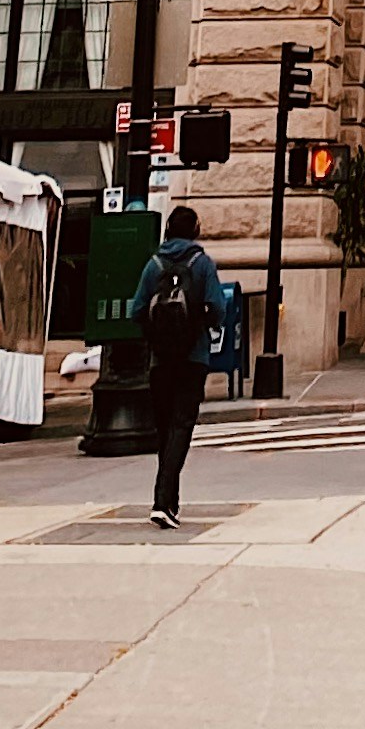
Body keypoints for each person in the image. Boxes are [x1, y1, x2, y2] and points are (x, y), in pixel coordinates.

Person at [131, 204, 234, 529]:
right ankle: (163, 501)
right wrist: (198, 324)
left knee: (165, 429)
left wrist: (156, 335)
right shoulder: (202, 264)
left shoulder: (153, 265)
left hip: (160, 360)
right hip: (193, 358)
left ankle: (168, 502)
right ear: (194, 230)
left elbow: (136, 310)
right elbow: (218, 309)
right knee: (181, 426)